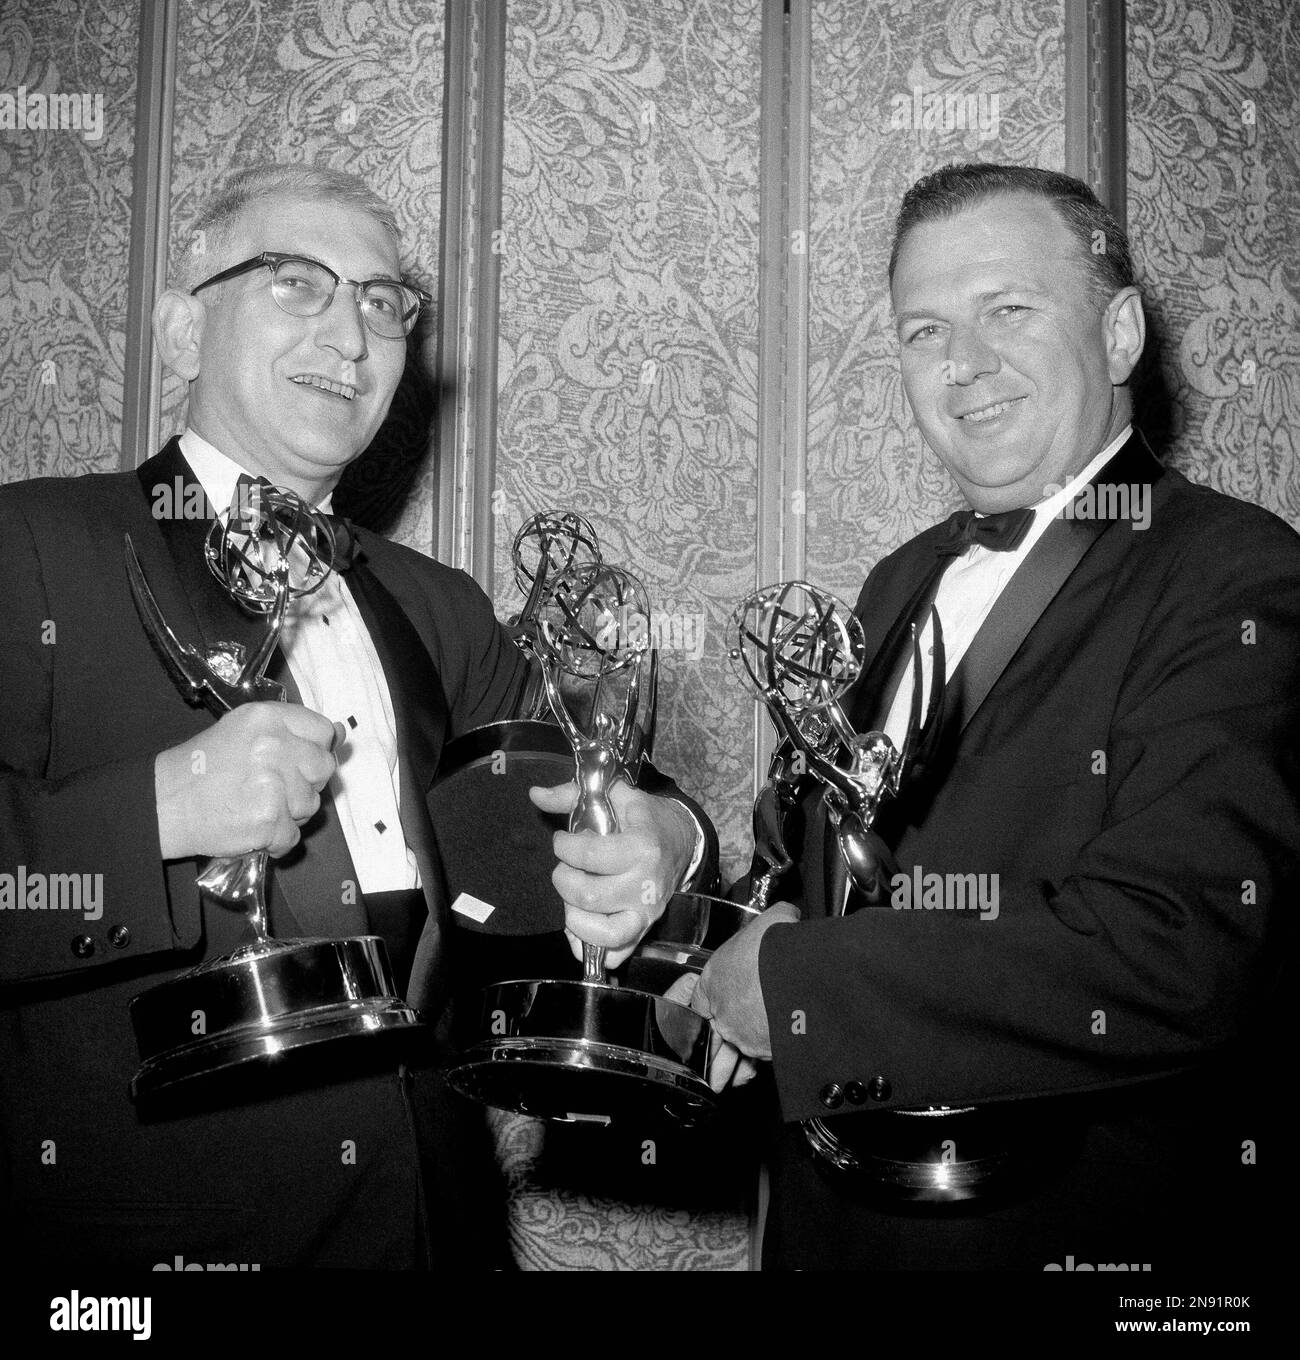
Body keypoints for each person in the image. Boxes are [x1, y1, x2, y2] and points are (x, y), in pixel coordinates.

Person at [0, 163, 704, 1270]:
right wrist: (157, 810)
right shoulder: (29, 549)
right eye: (296, 283)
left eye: (383, 303)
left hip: (434, 1226)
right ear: (182, 332)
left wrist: (667, 836)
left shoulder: (441, 603)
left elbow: (594, 783)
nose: (352, 334)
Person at [687, 163, 1300, 1271]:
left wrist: (794, 992)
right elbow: (815, 878)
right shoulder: (894, 584)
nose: (962, 366)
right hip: (829, 1227)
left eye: (1007, 311)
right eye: (923, 332)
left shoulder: (1234, 574)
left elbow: (1181, 949)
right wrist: (686, 884)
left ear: (1118, 337)